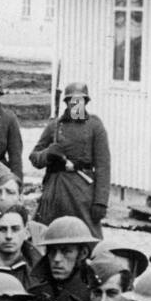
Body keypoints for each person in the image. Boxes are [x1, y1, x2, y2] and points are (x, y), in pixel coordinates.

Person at [29, 81, 110, 235]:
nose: (76, 105)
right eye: (72, 101)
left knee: (87, 236)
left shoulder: (95, 126)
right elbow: (34, 157)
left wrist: (100, 202)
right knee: (43, 235)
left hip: (82, 192)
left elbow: (103, 166)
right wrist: (48, 154)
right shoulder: (54, 126)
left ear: (86, 102)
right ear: (66, 102)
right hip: (54, 191)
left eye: (81, 101)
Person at [23, 215, 95, 301]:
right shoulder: (34, 293)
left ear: (83, 253)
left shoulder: (93, 296)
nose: (56, 259)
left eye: (66, 251)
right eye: (52, 251)